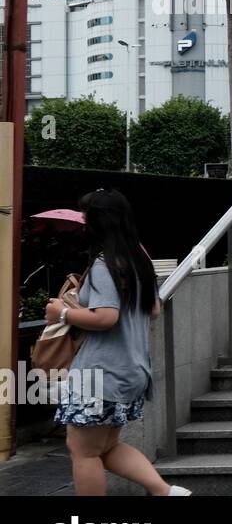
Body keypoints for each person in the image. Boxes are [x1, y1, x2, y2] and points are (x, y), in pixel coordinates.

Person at [45, 189, 190, 496]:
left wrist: (64, 312)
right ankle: (166, 493)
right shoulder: (138, 260)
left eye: (86, 217)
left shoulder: (104, 264)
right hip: (132, 369)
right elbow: (153, 308)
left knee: (83, 450)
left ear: (99, 222)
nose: (83, 223)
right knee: (107, 446)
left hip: (102, 372)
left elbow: (106, 317)